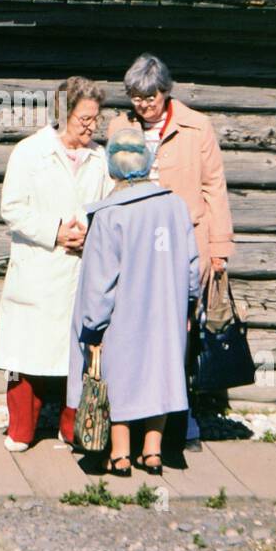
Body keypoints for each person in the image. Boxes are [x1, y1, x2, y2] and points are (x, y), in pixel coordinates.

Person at [107, 53, 234, 456]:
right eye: (135, 97)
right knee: (133, 332)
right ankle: (131, 421)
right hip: (135, 244)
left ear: (166, 92)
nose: (142, 105)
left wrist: (219, 249)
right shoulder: (119, 126)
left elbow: (214, 187)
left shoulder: (197, 128)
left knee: (179, 333)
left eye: (150, 97)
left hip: (183, 244)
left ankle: (179, 418)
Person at [66, 127, 202, 476]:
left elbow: (100, 282)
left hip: (124, 316)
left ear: (112, 167)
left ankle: (121, 453)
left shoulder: (109, 215)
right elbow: (191, 266)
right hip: (167, 311)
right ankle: (153, 451)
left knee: (118, 376)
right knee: (161, 373)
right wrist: (188, 304)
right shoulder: (175, 206)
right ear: (148, 162)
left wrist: (92, 326)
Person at [0, 77, 111, 452]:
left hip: (79, 268)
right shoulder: (29, 152)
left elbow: (108, 206)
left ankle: (71, 427)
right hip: (39, 266)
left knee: (75, 350)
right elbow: (12, 207)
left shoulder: (100, 158)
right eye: (84, 120)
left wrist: (89, 234)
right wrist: (56, 230)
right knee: (27, 350)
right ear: (63, 114)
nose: (91, 127)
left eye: (95, 120)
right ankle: (22, 429)